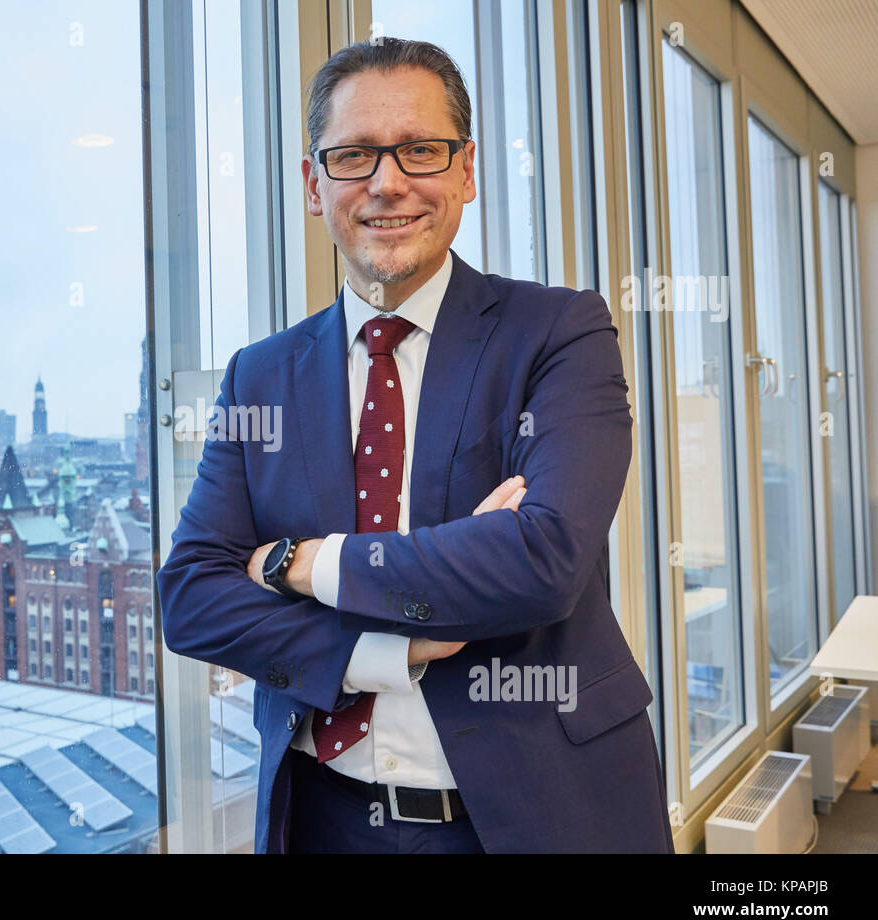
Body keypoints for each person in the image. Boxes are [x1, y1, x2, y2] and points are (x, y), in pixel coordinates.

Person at [155, 37, 673, 854]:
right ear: (313, 182)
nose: (387, 182)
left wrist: (297, 562)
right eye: (355, 155)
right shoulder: (259, 375)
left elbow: (544, 563)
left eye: (420, 151)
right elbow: (188, 597)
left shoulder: (560, 333)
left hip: (540, 814)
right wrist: (378, 648)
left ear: (465, 171)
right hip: (321, 819)